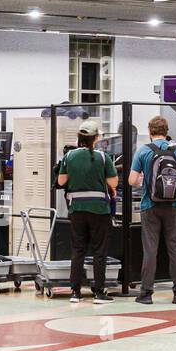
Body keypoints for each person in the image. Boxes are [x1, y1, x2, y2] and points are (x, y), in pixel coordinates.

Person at [128, 115, 176, 305]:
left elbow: (132, 181)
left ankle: (146, 293)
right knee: (175, 249)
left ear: (149, 132)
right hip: (173, 206)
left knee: (150, 250)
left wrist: (144, 180)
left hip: (150, 206)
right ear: (166, 131)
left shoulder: (143, 151)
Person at [57, 119, 118, 304]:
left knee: (78, 250)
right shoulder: (102, 157)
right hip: (100, 210)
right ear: (96, 138)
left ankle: (75, 292)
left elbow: (61, 182)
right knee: (100, 251)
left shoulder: (69, 157)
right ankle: (99, 293)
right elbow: (113, 183)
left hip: (76, 210)